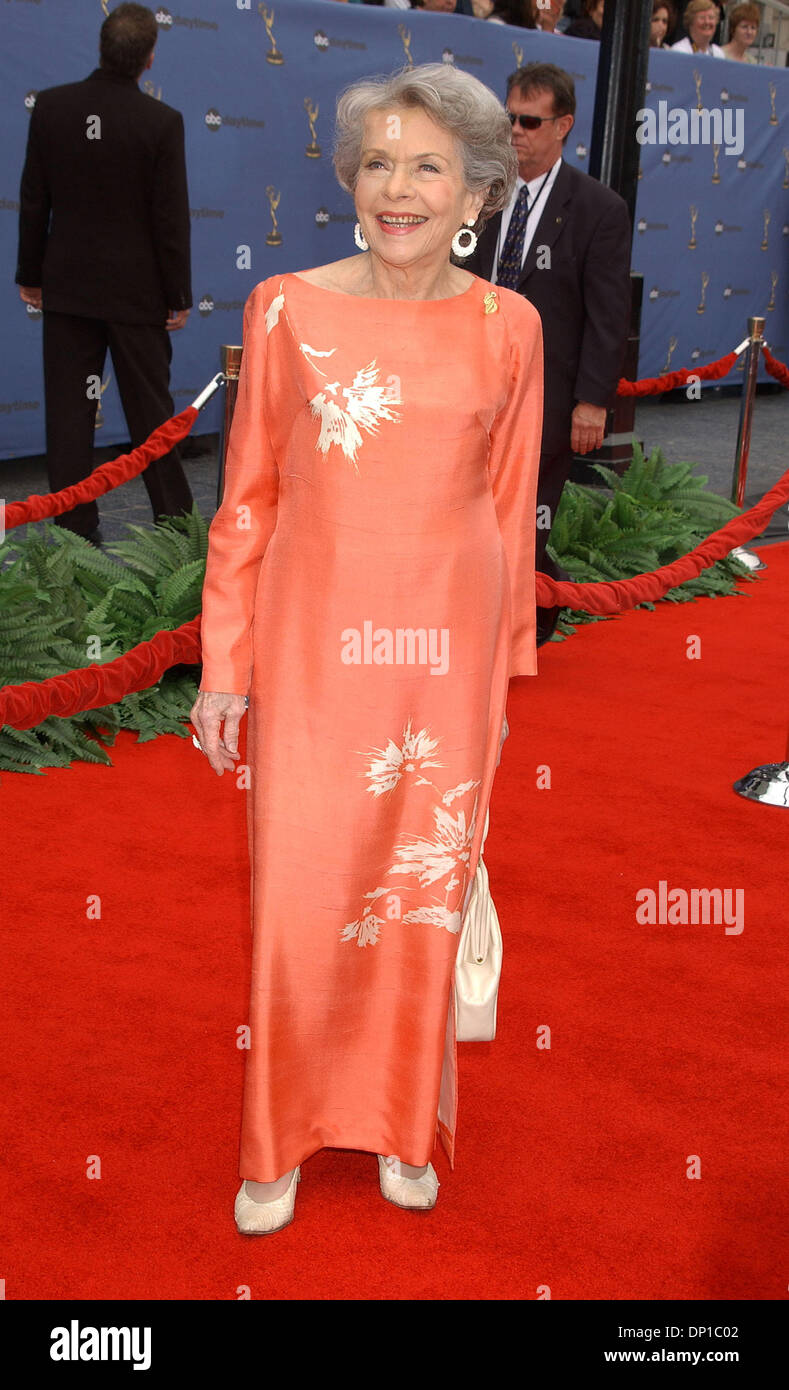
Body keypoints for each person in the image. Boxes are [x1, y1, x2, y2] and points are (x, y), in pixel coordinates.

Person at [190, 62, 543, 1234]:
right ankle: (275, 1138)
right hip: (310, 648)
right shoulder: (287, 307)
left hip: (442, 656)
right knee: (301, 890)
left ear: (477, 193)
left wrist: (498, 681)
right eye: (379, 162)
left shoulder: (512, 327)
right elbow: (246, 501)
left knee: (418, 894)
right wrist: (225, 664)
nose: (400, 188)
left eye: (429, 167)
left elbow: (506, 513)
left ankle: (401, 1123)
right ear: (351, 179)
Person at [14, 2, 193, 544]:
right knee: (152, 418)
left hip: (67, 288)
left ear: (100, 47)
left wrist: (30, 275)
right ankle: (179, 536)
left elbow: (32, 201)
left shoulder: (51, 108)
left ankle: (74, 539)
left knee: (70, 420)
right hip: (137, 294)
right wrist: (177, 295)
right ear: (149, 59)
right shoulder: (160, 123)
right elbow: (169, 219)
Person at [465, 61, 631, 644]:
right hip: (472, 386)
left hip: (550, 395)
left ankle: (529, 616)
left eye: (529, 121)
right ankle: (501, 607)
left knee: (528, 513)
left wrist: (592, 402)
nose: (514, 131)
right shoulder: (478, 194)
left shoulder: (598, 210)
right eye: (507, 117)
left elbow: (607, 317)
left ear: (563, 125)